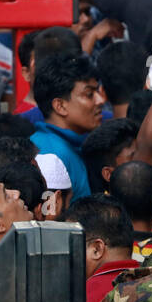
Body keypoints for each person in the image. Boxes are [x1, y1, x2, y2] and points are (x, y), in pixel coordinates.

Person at [30, 53, 107, 201]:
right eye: (89, 94)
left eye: (97, 91)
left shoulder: (68, 146)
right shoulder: (51, 155)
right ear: (60, 106)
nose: (100, 100)